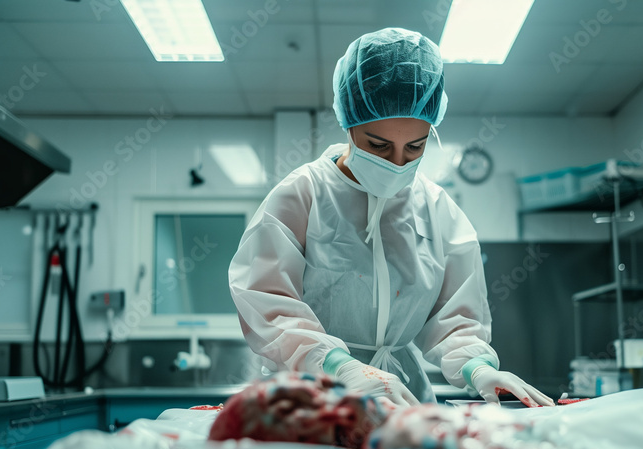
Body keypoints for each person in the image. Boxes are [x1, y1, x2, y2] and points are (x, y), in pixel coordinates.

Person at [229, 28, 552, 408]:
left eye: (414, 147)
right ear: (348, 124)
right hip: (312, 396)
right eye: (378, 145)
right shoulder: (302, 195)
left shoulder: (437, 210)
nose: (397, 162)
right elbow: (266, 299)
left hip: (403, 395)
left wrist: (478, 367)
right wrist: (338, 366)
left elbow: (455, 316)